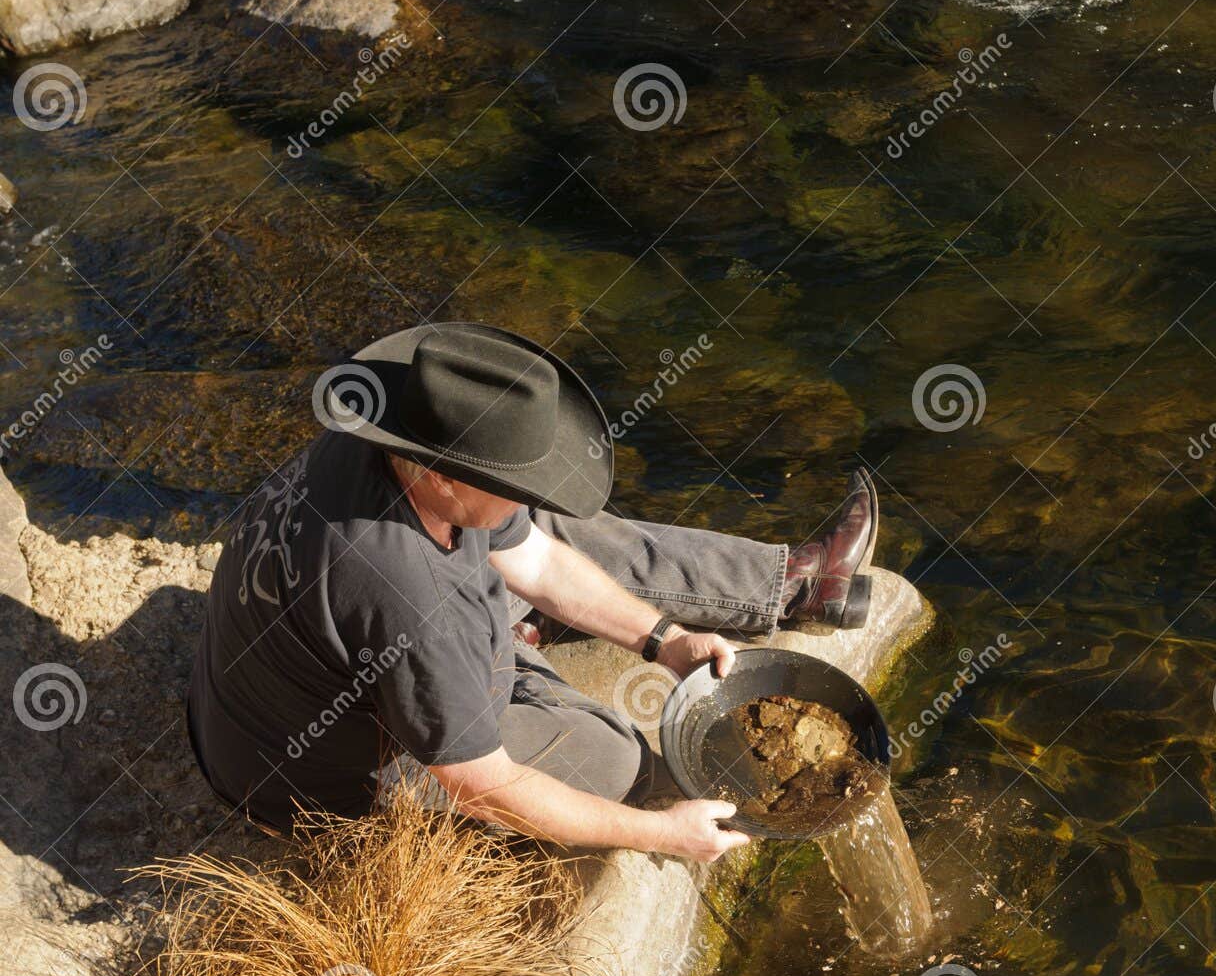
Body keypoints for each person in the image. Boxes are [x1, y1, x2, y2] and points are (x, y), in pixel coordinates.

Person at [187, 322, 879, 863]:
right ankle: (513, 663)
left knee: (550, 527)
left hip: (290, 685)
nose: (525, 495)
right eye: (510, 483)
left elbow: (539, 562)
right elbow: (481, 783)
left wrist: (665, 641)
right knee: (619, 760)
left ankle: (799, 585)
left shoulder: (387, 437)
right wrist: (662, 832)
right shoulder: (411, 598)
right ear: (443, 477)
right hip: (307, 783)